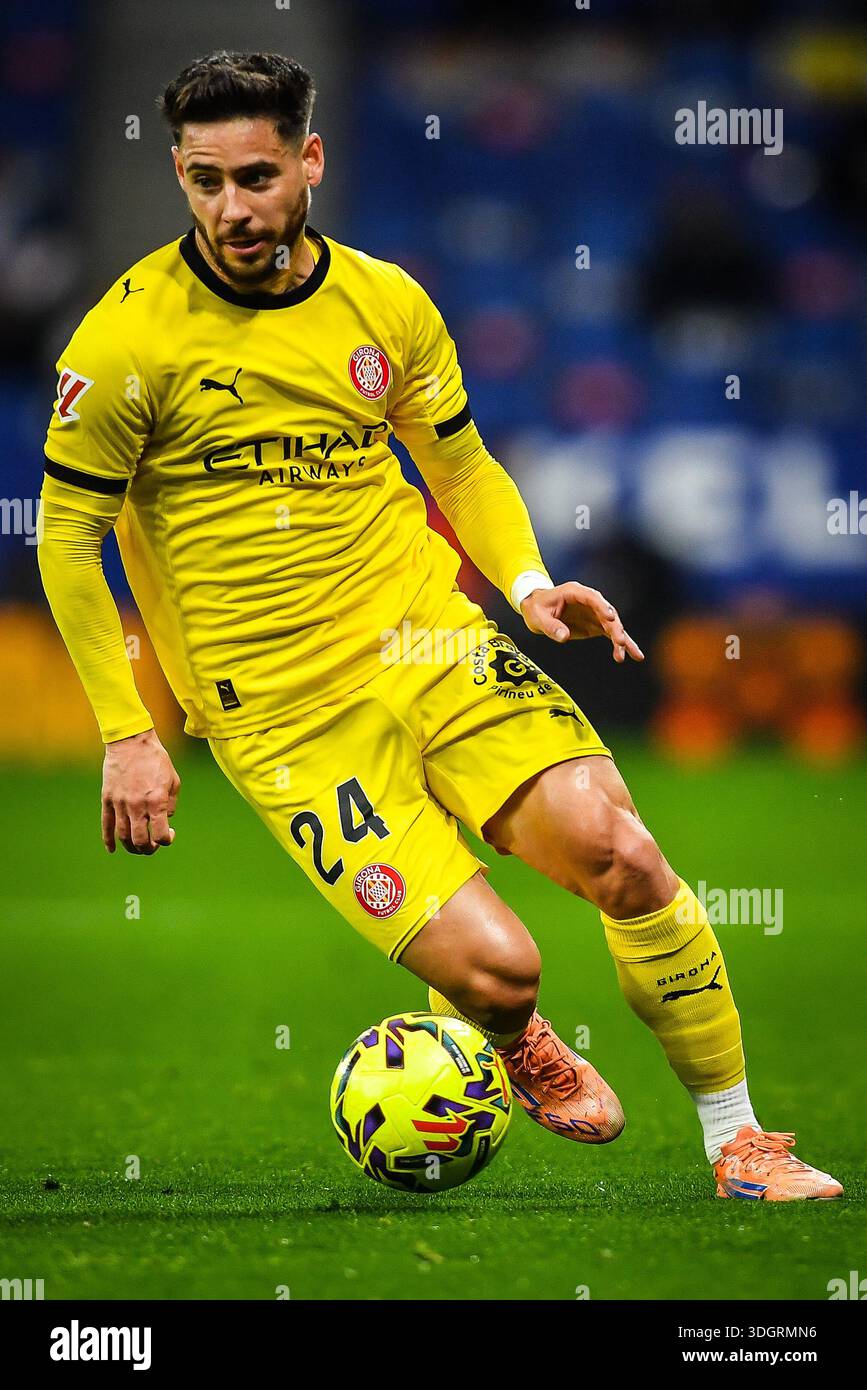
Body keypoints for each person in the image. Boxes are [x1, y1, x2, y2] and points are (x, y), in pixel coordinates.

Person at [38, 51, 841, 1200]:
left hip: (429, 638)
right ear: (178, 173)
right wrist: (126, 727)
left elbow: (458, 464)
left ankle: (740, 1144)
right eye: (204, 180)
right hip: (282, 717)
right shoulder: (125, 345)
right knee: (504, 971)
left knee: (620, 850)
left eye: (256, 176)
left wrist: (522, 583)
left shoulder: (385, 301)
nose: (232, 208)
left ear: (309, 160)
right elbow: (67, 539)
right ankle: (513, 1037)